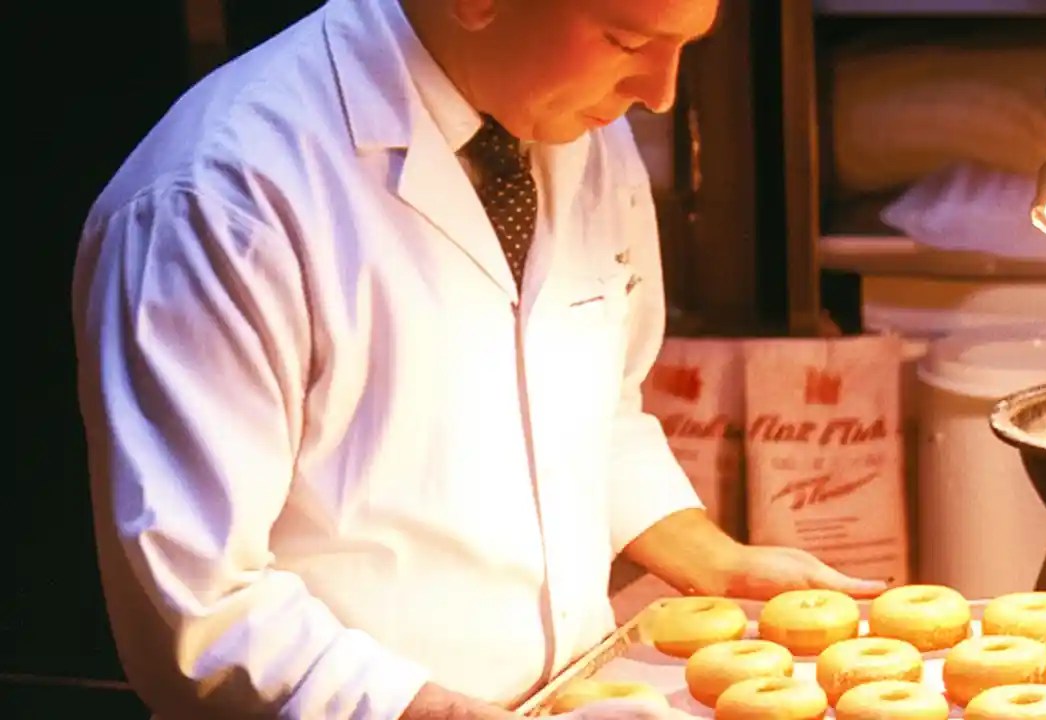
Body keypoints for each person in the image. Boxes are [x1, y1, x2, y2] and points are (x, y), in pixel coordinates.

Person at [71, 0, 886, 718]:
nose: (661, 93)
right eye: (624, 38)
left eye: (686, 44)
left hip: (575, 689)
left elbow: (596, 412)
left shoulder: (575, 129)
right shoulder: (220, 202)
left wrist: (719, 563)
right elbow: (202, 606)